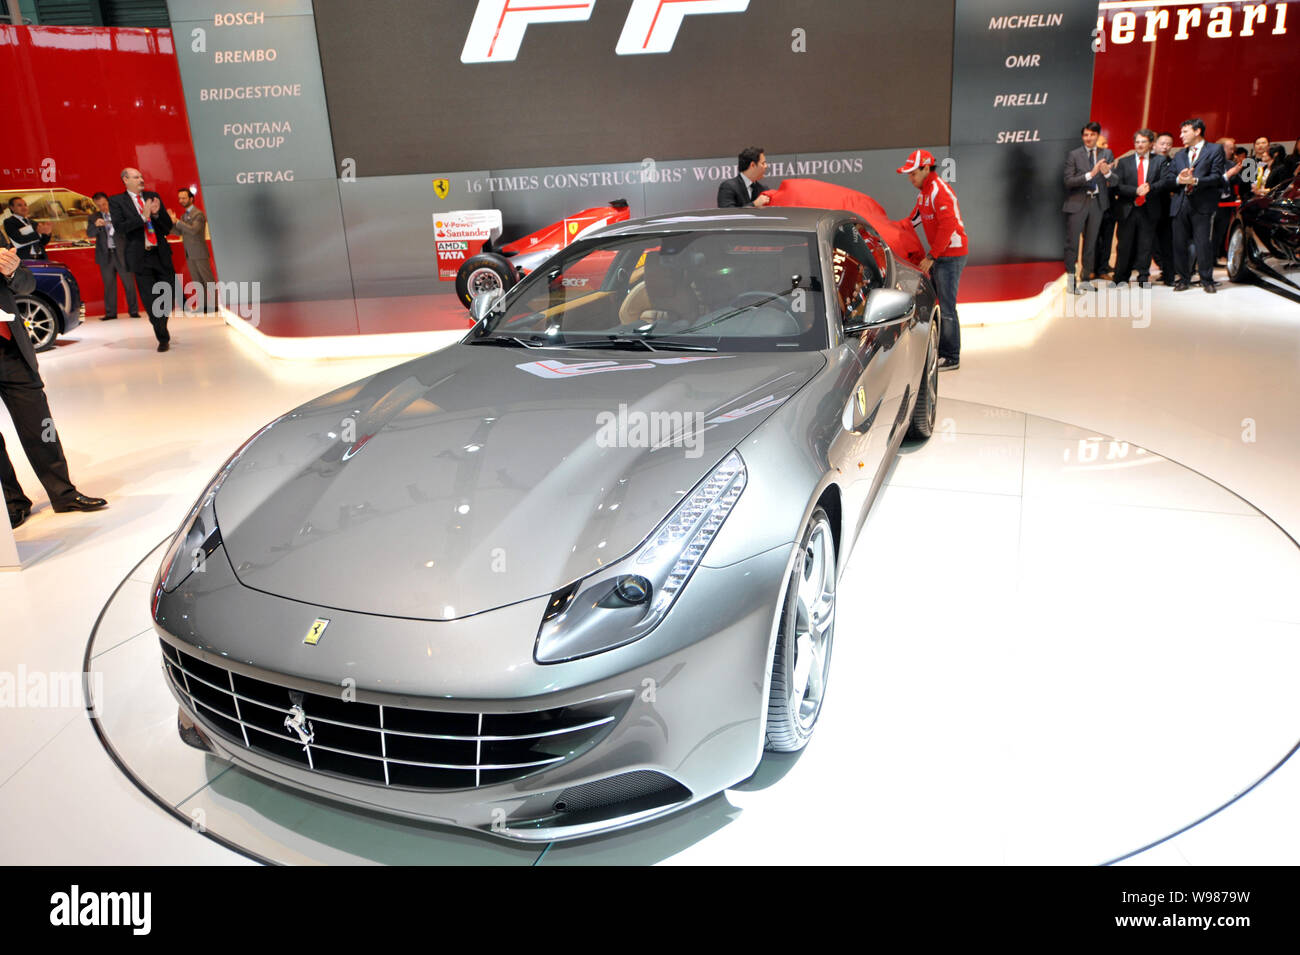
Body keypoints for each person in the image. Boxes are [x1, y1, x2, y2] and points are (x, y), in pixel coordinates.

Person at [0, 241, 107, 528]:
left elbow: (25, 284)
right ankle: (12, 502)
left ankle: (63, 493)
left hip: (10, 349)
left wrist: (12, 273)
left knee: (41, 425)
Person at [898, 148, 967, 371]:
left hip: (951, 256)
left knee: (947, 307)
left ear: (926, 168)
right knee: (940, 304)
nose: (910, 178)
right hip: (942, 256)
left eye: (913, 173)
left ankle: (951, 356)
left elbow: (949, 226)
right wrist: (889, 229)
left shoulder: (939, 191)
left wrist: (932, 256)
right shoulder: (924, 194)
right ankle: (941, 349)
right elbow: (912, 221)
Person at [109, 167, 175, 351]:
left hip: (160, 253)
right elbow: (120, 228)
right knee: (149, 299)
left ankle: (161, 324)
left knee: (167, 296)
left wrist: (155, 214)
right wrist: (143, 217)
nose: (141, 179)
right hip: (140, 256)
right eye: (136, 177)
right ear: (125, 179)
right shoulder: (117, 201)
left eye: (141, 176)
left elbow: (167, 228)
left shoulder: (153, 196)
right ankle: (162, 336)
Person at [1170, 117, 1226, 293]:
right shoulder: (1179, 154)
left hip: (1202, 203)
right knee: (1179, 244)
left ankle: (1206, 279)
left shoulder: (1215, 149)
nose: (1181, 135)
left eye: (1184, 131)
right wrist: (1180, 179)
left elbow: (1217, 176)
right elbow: (1170, 178)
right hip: (1180, 203)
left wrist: (1195, 180)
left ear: (1197, 131)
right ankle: (1183, 278)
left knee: (1203, 243)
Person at [1112, 129, 1171, 287]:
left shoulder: (1159, 161)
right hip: (1128, 209)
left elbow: (1165, 181)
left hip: (1149, 209)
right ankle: (1120, 277)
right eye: (1137, 142)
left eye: (1143, 142)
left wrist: (1149, 187)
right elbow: (1117, 186)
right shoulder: (1124, 162)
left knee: (1145, 245)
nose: (1139, 145)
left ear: (1151, 144)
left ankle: (1143, 277)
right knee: (1124, 245)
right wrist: (1135, 191)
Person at [1062, 121, 1116, 292]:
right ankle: (1071, 282)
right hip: (1077, 203)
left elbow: (1114, 180)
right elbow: (1068, 181)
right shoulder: (1074, 154)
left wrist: (1107, 172)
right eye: (1085, 135)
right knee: (1072, 244)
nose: (1088, 138)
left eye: (1092, 135)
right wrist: (1090, 175)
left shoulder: (1107, 153)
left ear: (1098, 136)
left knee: (1091, 243)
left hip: (1097, 203)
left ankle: (1085, 279)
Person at [85, 191, 140, 320]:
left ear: (108, 201)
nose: (103, 207)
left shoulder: (119, 214)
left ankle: (133, 311)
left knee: (129, 283)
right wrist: (96, 226)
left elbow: (129, 229)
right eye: (99, 205)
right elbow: (89, 233)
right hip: (105, 255)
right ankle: (110, 313)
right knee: (109, 285)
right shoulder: (93, 217)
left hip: (122, 252)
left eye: (104, 204)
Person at [170, 188, 215, 313]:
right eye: (180, 198)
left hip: (199, 252)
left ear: (191, 198)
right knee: (197, 281)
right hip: (189, 253)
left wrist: (177, 222)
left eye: (184, 198)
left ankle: (214, 305)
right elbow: (179, 231)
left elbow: (194, 230)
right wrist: (171, 224)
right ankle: (203, 305)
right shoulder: (185, 215)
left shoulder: (198, 214)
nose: (181, 200)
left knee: (207, 279)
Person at [1211, 141, 1246, 262]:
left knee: (1221, 233)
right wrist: (1229, 174)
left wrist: (1238, 173)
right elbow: (1212, 181)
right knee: (1209, 234)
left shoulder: (1232, 164)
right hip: (1212, 203)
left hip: (1227, 204)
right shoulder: (1210, 162)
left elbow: (1238, 182)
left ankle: (1214, 258)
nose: (1232, 152)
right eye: (1230, 148)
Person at [1150, 132, 1177, 284]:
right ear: (1155, 144)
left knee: (1166, 242)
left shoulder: (1173, 163)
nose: (1165, 147)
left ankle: (1169, 275)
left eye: (1168, 144)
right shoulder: (1148, 161)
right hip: (1148, 207)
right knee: (1148, 242)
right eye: (1162, 143)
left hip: (1166, 208)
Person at [1092, 133, 1119, 279]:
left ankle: (1103, 268)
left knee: (1107, 238)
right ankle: (1090, 268)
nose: (1107, 147)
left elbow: (1115, 181)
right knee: (1092, 239)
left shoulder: (1112, 163)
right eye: (1103, 144)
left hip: (1108, 205)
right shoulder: (1086, 162)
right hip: (1092, 205)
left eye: (1106, 143)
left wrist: (1108, 172)